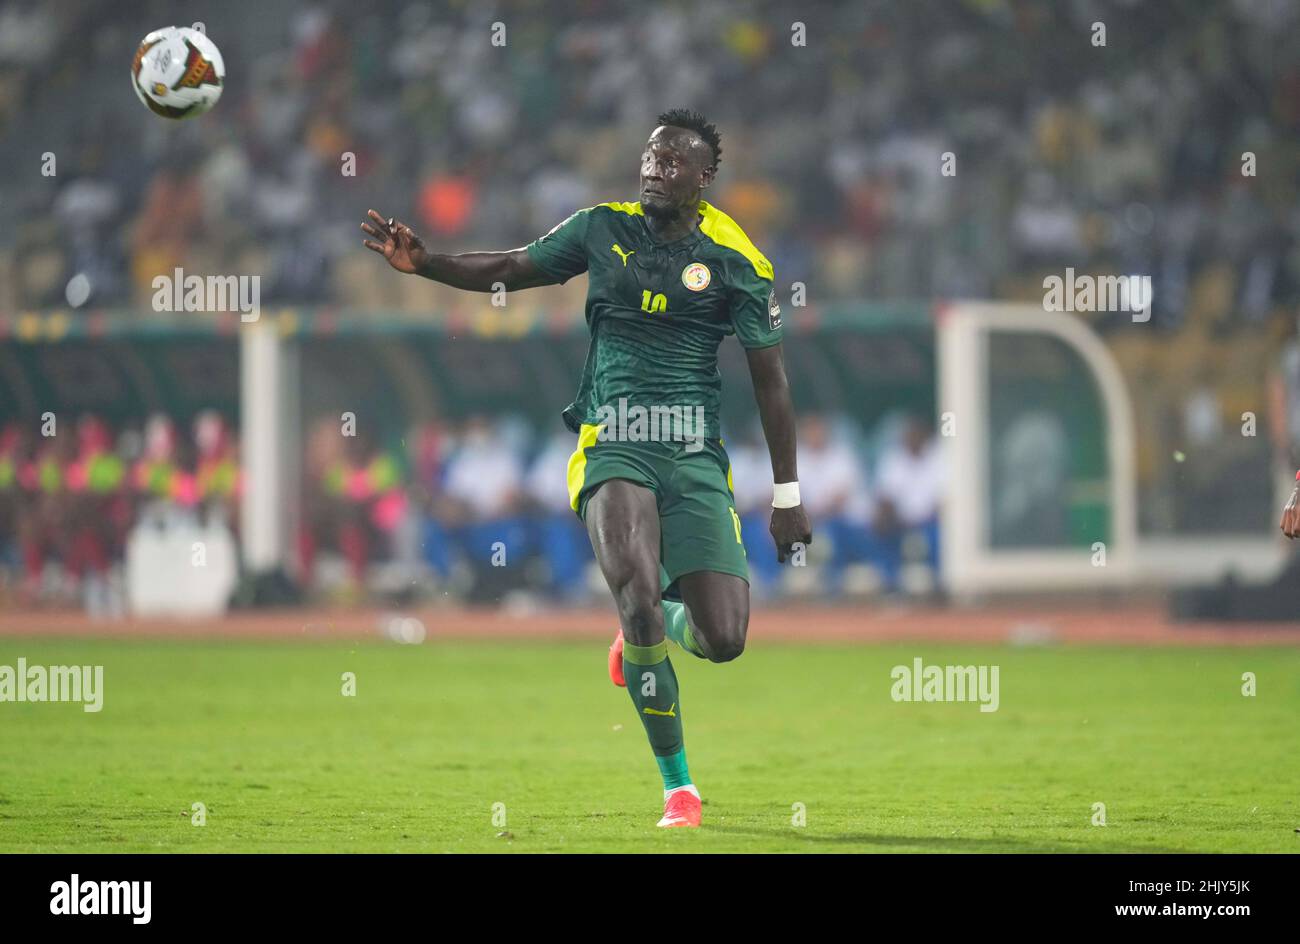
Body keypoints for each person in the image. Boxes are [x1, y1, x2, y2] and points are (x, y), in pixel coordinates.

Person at [362, 109, 812, 828]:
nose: (654, 170)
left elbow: (772, 382)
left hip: (695, 453)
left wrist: (787, 495)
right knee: (632, 586)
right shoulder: (602, 227)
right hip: (615, 440)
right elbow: (512, 266)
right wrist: (429, 263)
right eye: (649, 156)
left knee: (724, 639)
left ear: (705, 178)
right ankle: (680, 790)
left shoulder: (738, 260)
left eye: (672, 163)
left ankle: (651, 627)